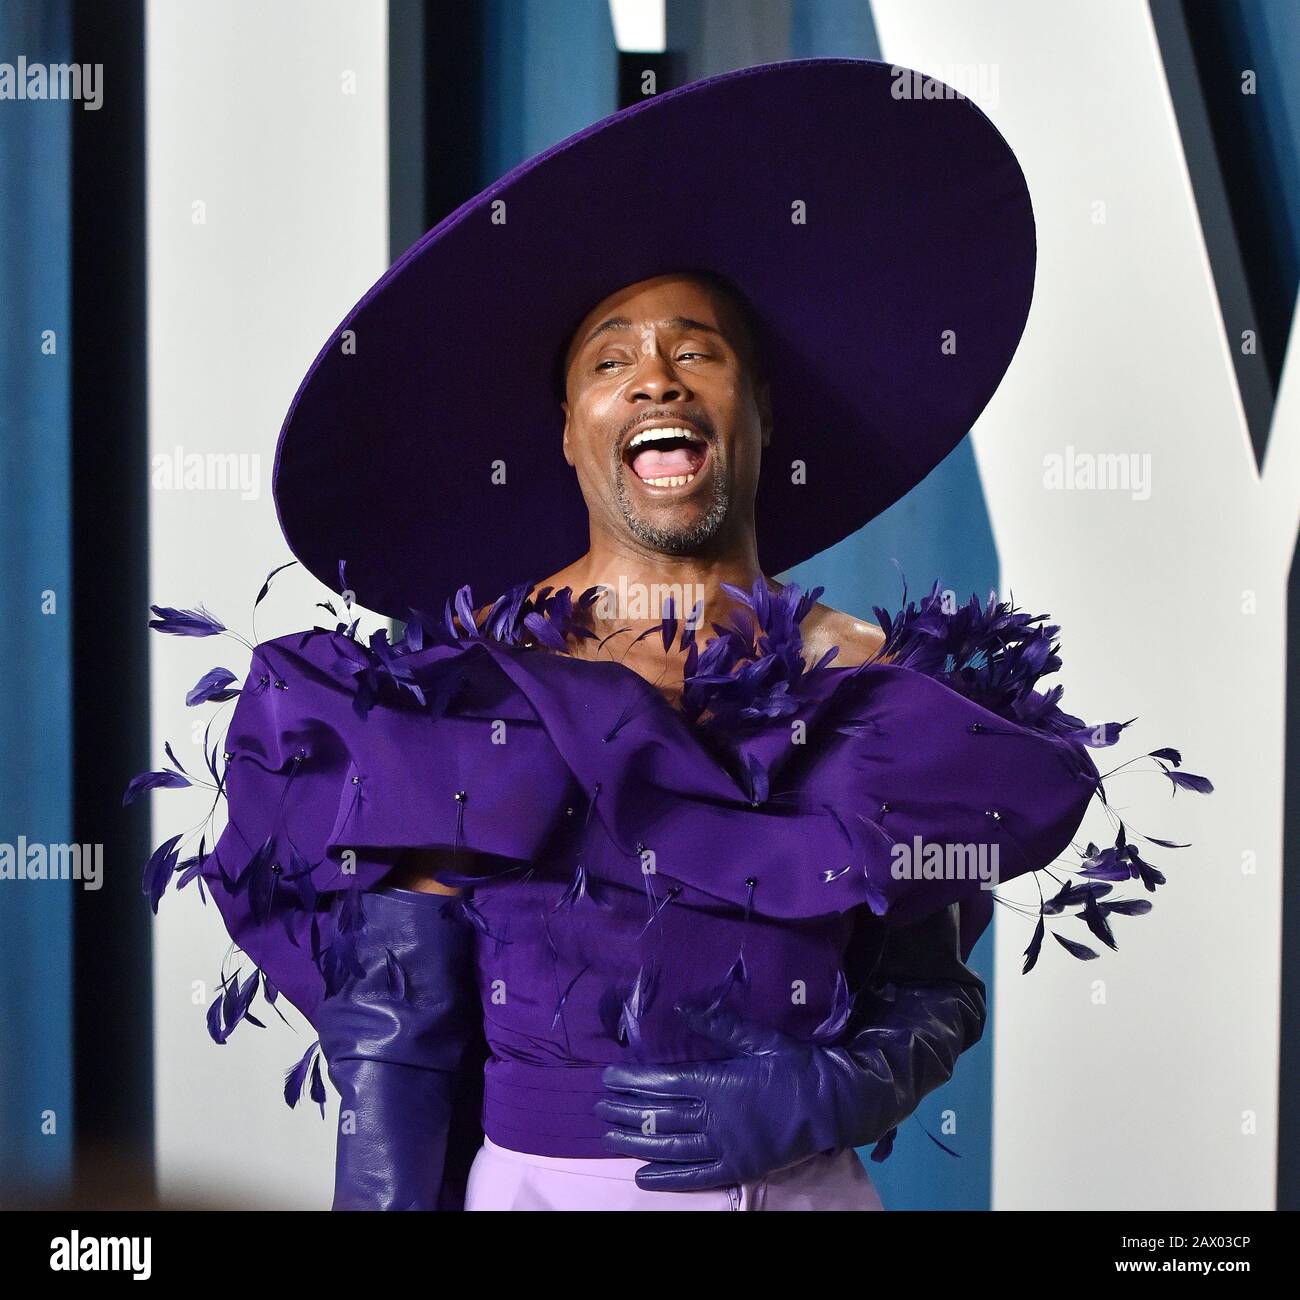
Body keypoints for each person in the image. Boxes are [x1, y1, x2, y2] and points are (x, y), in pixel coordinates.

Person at [132, 58, 1211, 1211]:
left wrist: (839, 1087)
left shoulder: (872, 682)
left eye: (696, 350)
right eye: (610, 360)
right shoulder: (462, 685)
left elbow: (929, 988)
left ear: (758, 410)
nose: (655, 378)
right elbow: (398, 1031)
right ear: (568, 431)